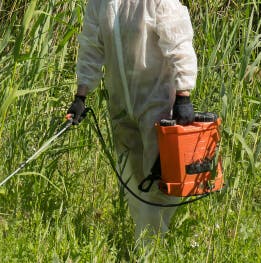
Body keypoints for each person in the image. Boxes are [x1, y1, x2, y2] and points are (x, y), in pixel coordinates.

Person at [66, 0, 197, 242]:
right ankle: (145, 238)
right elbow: (92, 47)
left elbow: (178, 42)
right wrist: (80, 96)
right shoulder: (100, 4)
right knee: (131, 175)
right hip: (121, 106)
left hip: (157, 103)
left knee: (158, 177)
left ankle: (153, 245)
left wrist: (183, 94)